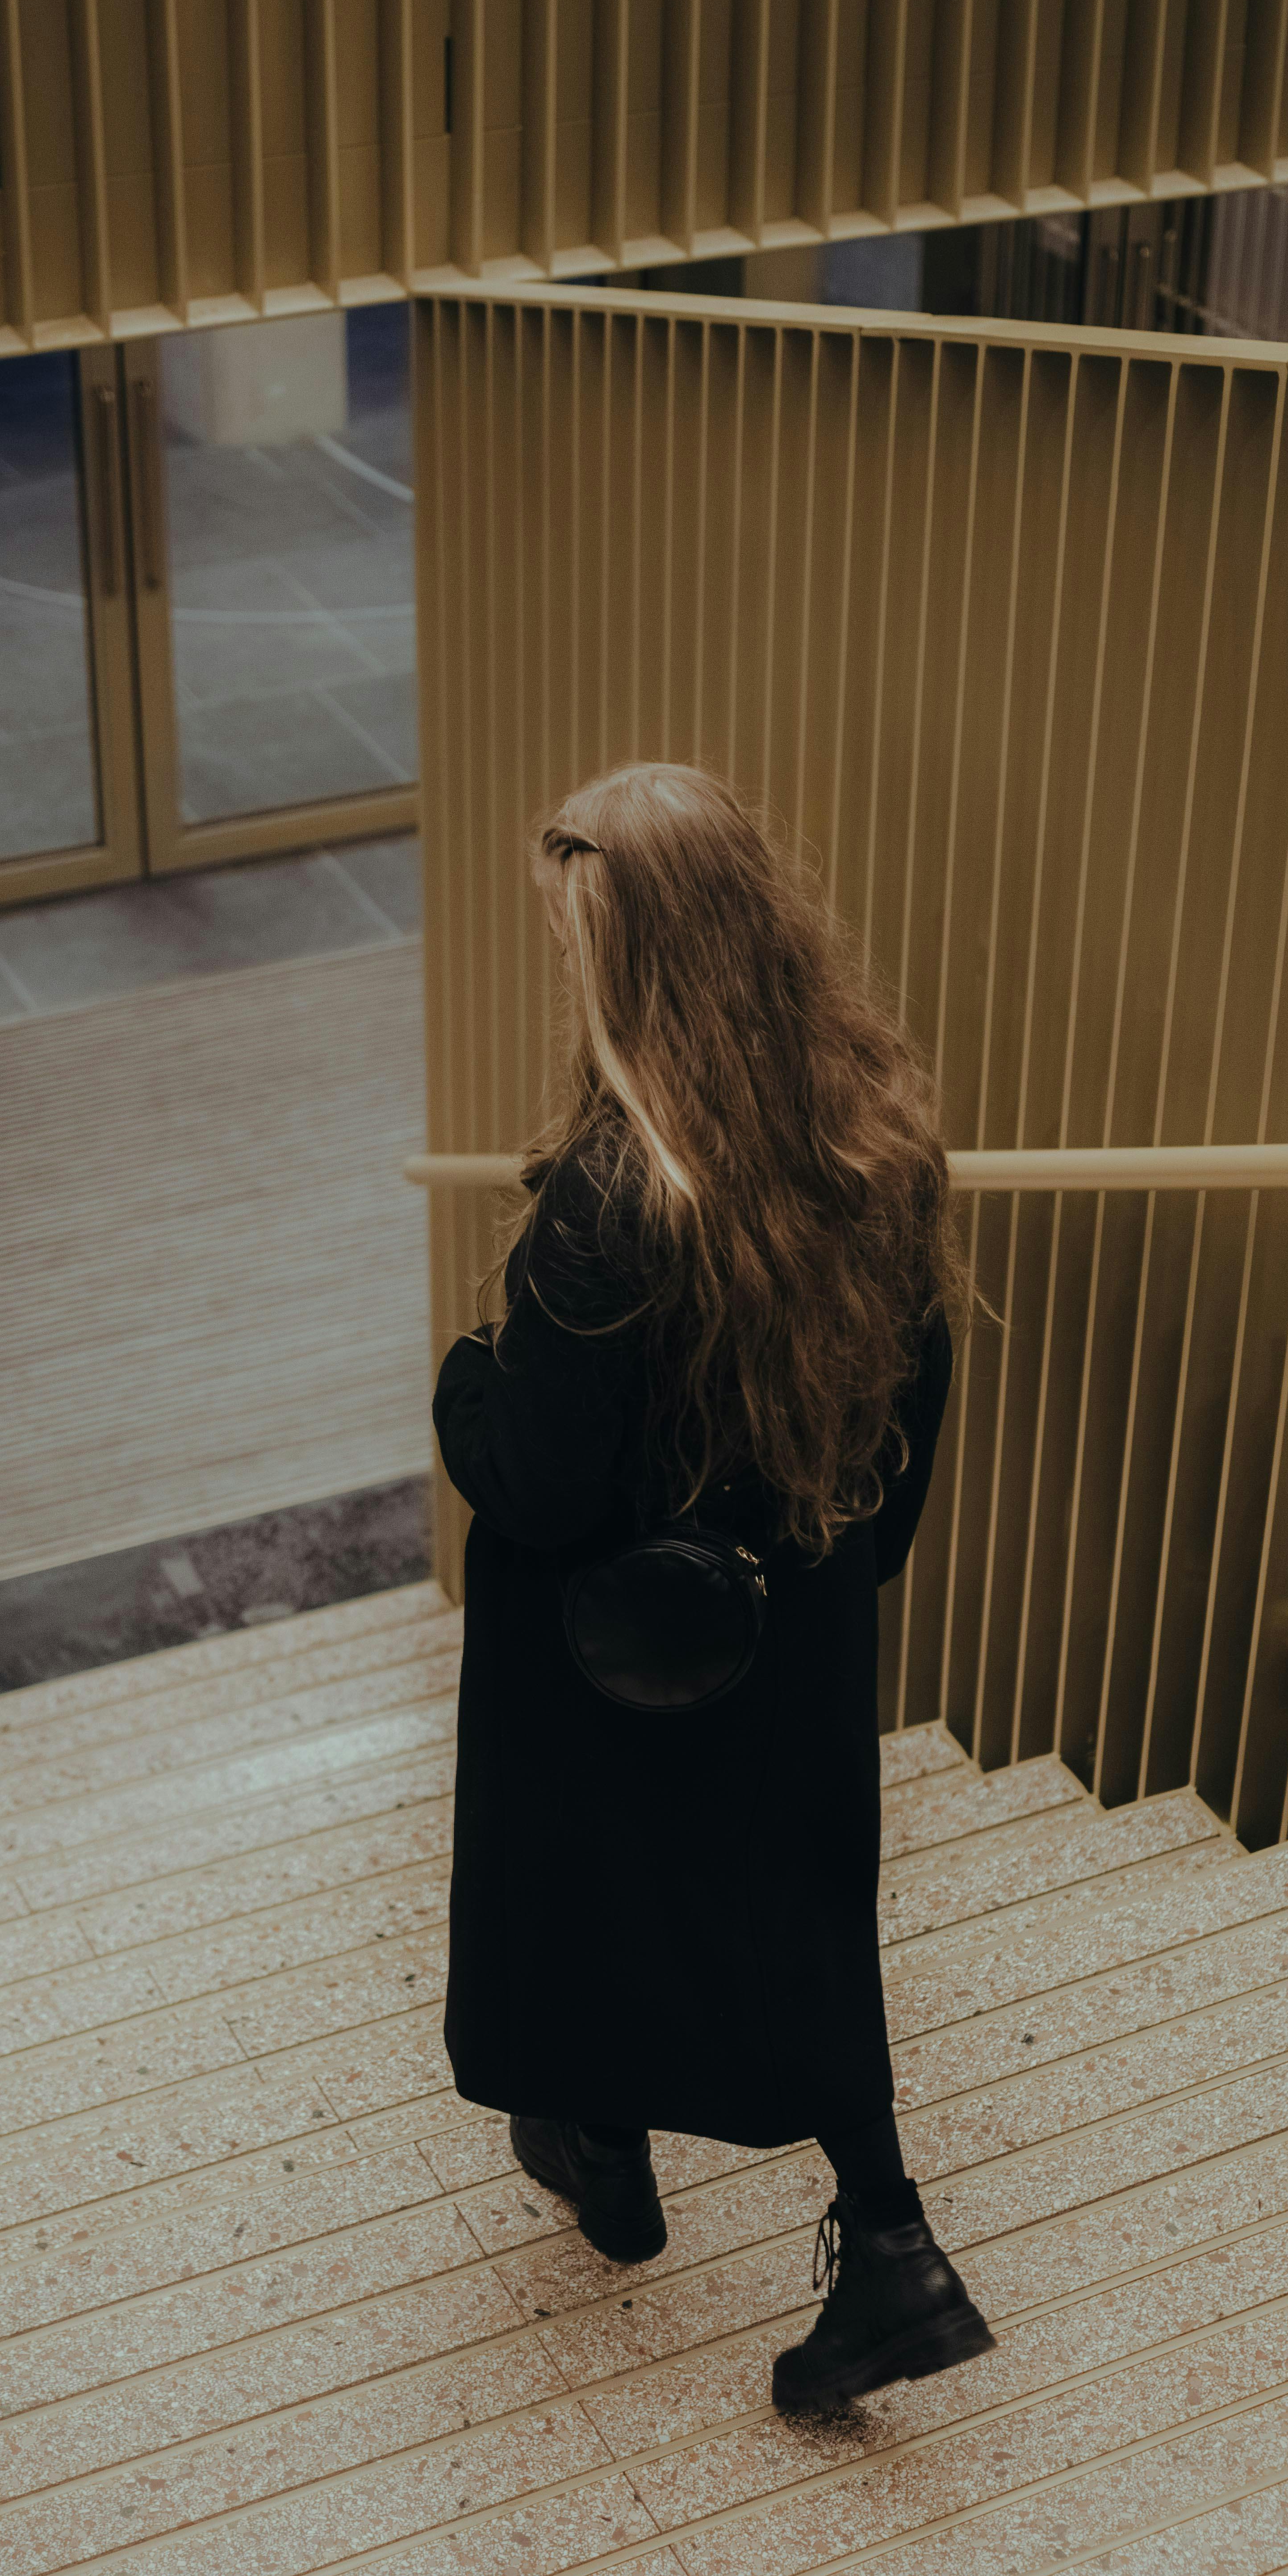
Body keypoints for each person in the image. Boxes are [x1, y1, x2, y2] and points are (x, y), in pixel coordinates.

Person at [431, 760, 995, 2413]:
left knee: (583, 1885)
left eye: (575, 941)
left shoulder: (610, 1205)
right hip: (799, 1605)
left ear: (642, 963)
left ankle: (613, 2153)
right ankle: (868, 2243)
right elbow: (922, 1389)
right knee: (798, 1916)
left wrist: (467, 1376)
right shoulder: (875, 1128)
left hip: (611, 1640)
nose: (564, 971)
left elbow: (537, 1476)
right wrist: (845, 1579)